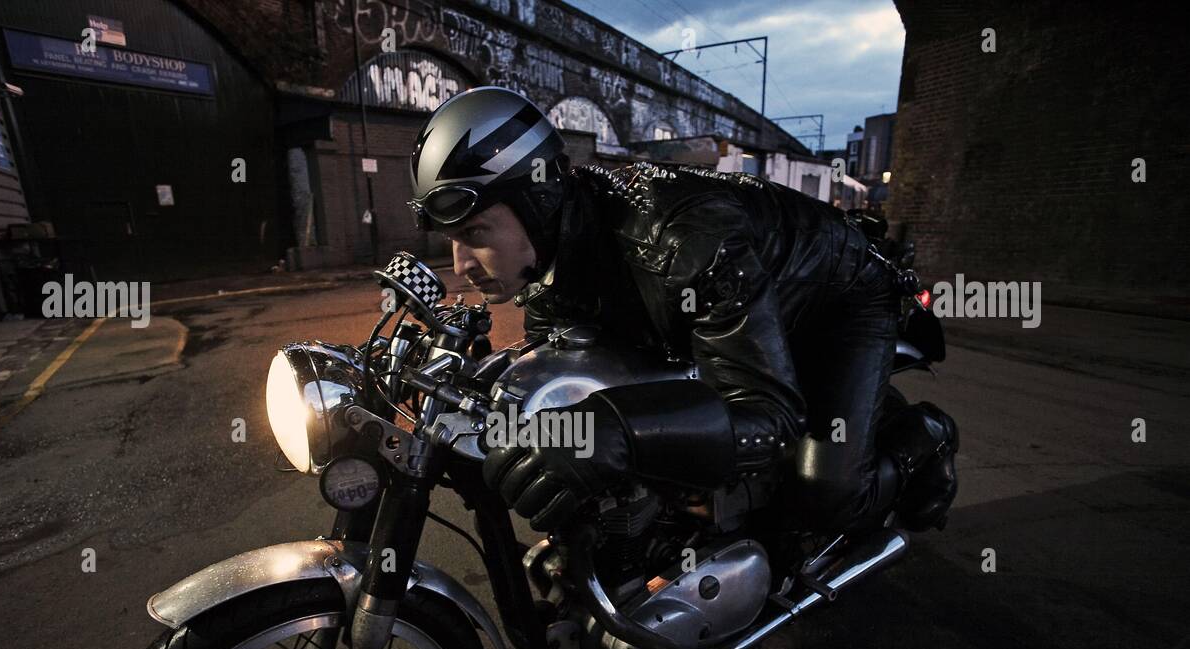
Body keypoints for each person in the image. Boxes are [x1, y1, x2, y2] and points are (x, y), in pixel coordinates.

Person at [408, 87, 958, 535]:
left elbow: (767, 417)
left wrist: (616, 431)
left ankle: (924, 436)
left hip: (838, 298)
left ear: (539, 200)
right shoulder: (552, 256)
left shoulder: (680, 240)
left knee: (823, 493)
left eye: (476, 233)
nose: (462, 266)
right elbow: (571, 363)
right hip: (751, 301)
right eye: (452, 239)